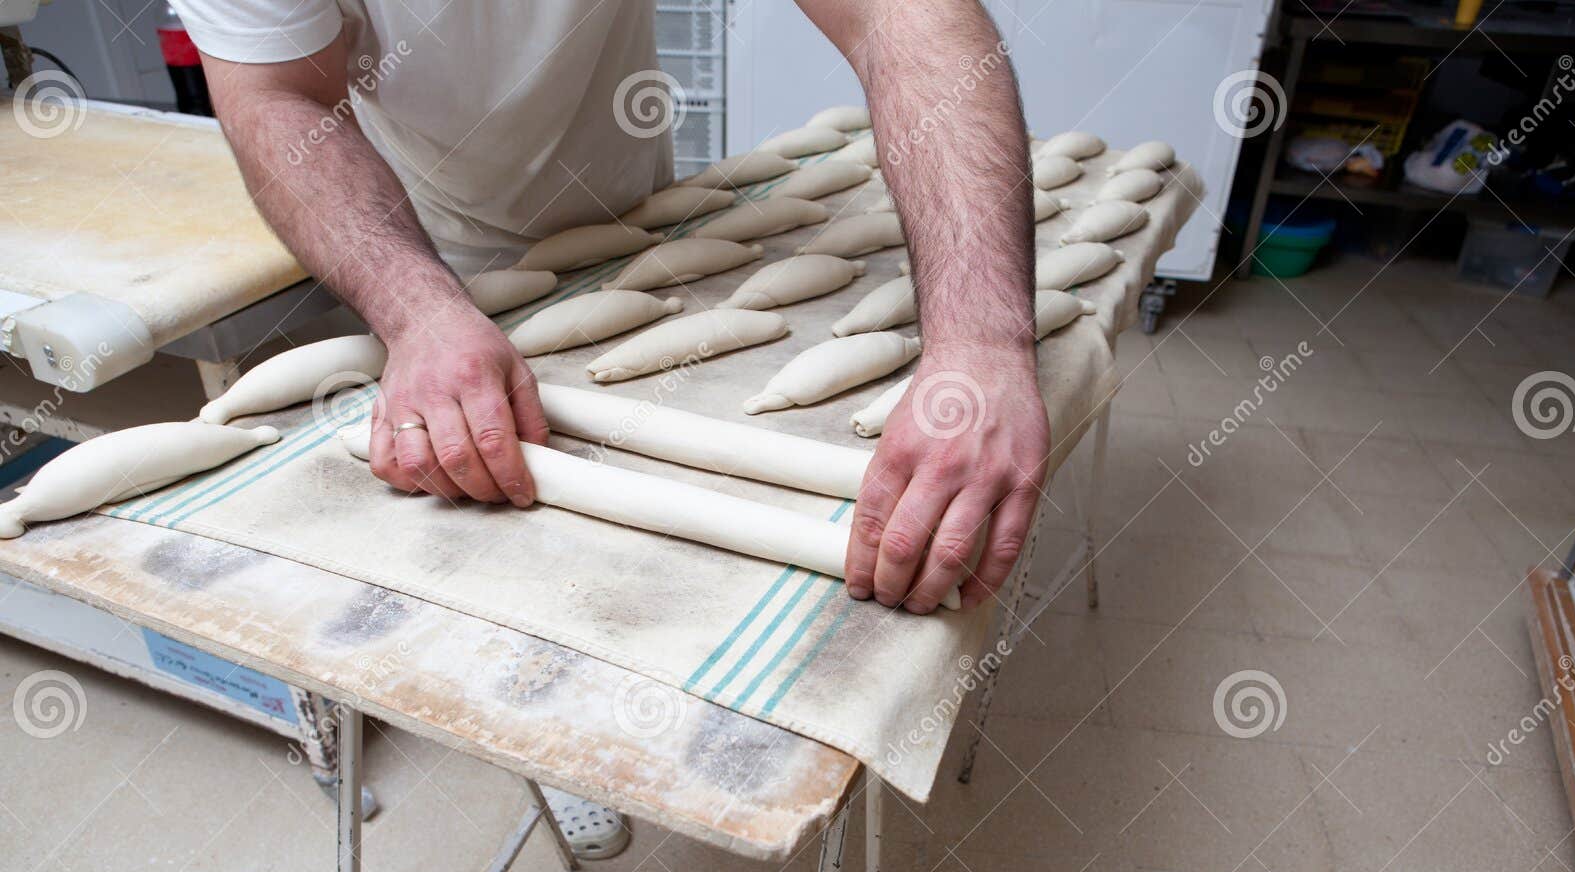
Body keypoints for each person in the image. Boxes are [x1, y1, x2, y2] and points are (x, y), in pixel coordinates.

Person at [173, 0, 1049, 619]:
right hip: (436, 232)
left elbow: (899, 12)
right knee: (515, 532)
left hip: (635, 210)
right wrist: (417, 313)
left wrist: (981, 345)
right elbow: (280, 94)